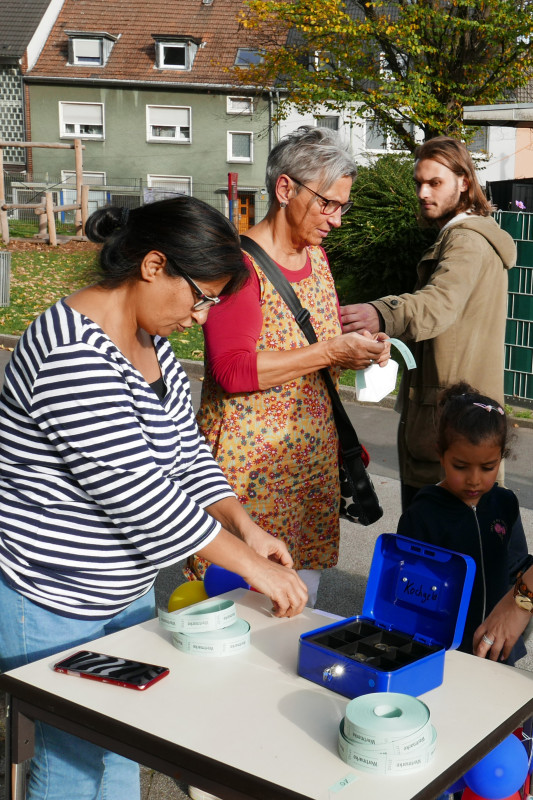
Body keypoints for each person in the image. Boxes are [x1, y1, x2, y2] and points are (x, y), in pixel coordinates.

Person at [0, 197, 308, 800]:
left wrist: (245, 526)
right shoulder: (70, 353)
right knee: (72, 765)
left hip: (123, 591)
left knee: (122, 747)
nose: (200, 316)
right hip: (53, 597)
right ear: (154, 265)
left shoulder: (150, 340)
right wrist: (252, 569)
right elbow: (142, 498)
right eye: (200, 298)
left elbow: (186, 455)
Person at [189, 126, 390, 607]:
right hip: (249, 481)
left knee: (299, 605)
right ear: (285, 188)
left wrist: (363, 347)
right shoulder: (239, 267)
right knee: (237, 613)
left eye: (343, 207)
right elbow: (232, 371)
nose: (336, 220)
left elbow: (316, 341)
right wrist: (332, 352)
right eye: (328, 204)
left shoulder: (316, 258)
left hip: (310, 473)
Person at [340, 136, 516, 511]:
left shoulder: (465, 241)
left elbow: (438, 305)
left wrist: (381, 313)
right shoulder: (470, 236)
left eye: (435, 182)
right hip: (466, 429)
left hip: (453, 437)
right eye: (419, 182)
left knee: (436, 544)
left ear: (464, 182)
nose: (422, 193)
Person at [396, 382, 532, 664]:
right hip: (444, 650)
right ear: (440, 453)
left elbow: (517, 565)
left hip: (498, 644)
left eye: (488, 467)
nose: (474, 479)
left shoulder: (505, 503)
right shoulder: (422, 514)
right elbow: (409, 589)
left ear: (501, 457)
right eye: (460, 466)